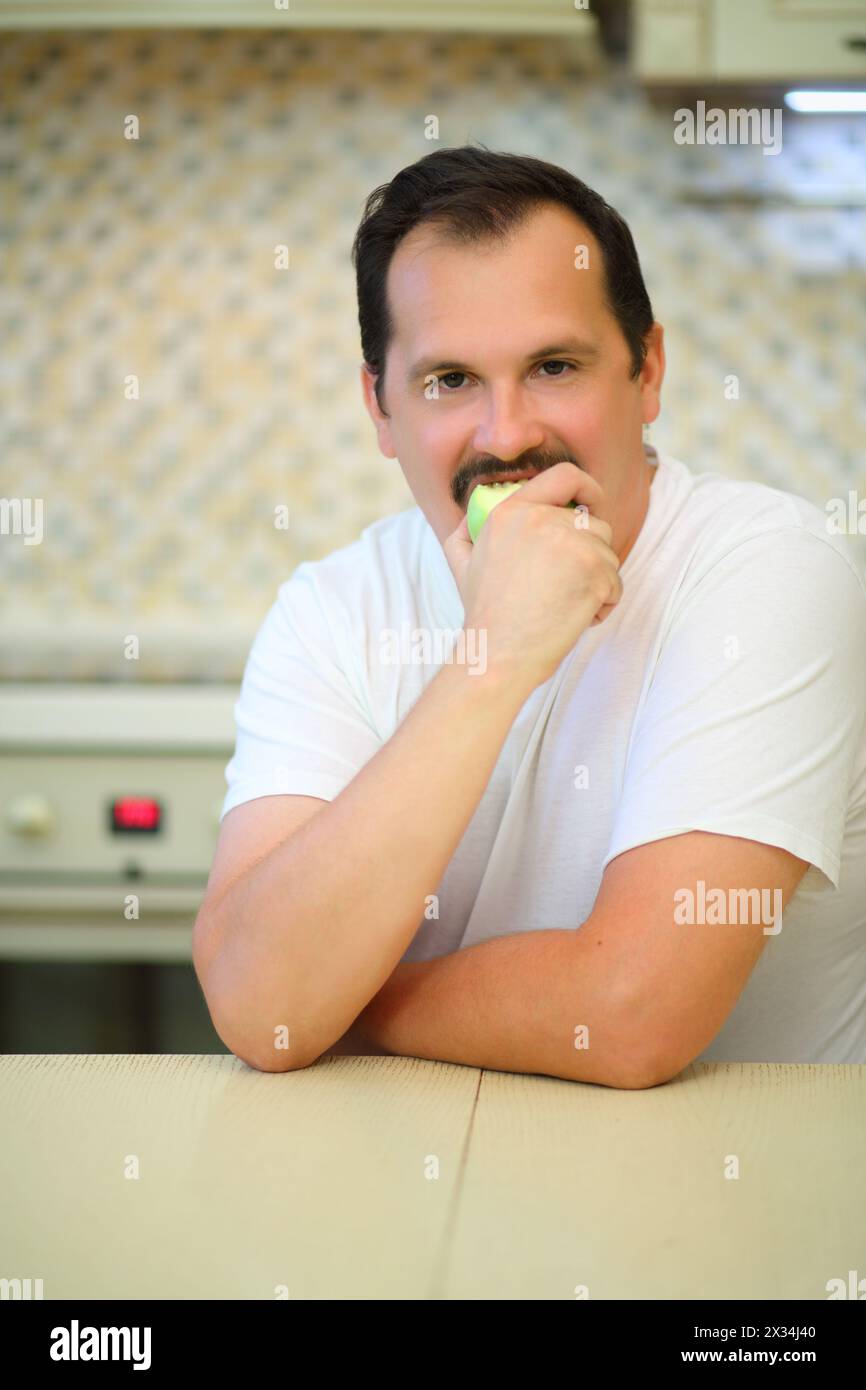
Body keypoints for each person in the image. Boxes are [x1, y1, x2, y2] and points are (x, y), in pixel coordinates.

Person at [193, 146, 866, 1083]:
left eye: (554, 365)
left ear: (649, 372)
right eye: (449, 381)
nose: (506, 435)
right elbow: (262, 1007)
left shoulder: (771, 570)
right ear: (381, 410)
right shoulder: (334, 609)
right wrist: (494, 657)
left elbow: (634, 1011)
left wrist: (344, 1001)